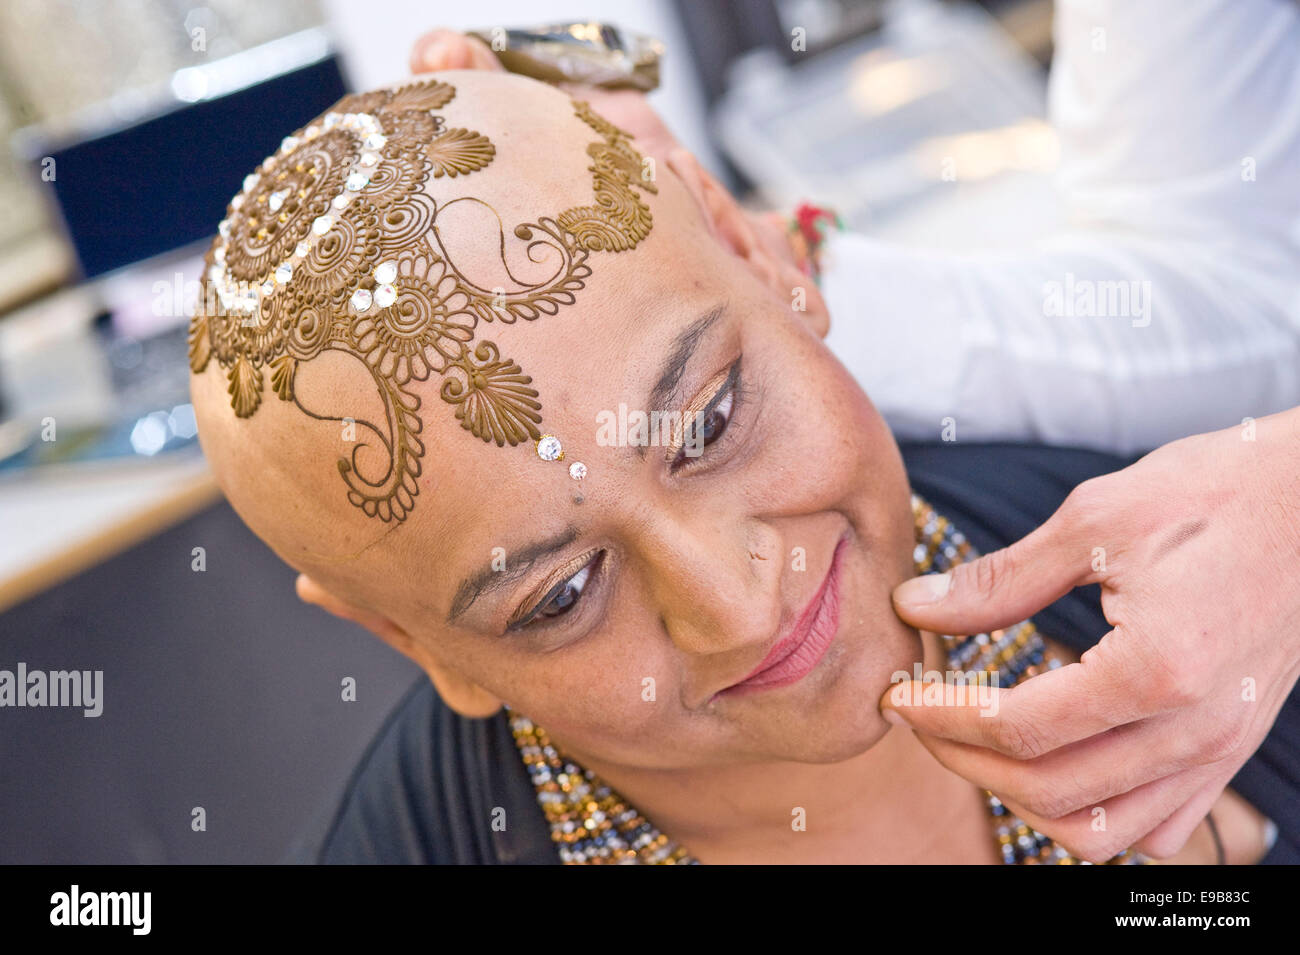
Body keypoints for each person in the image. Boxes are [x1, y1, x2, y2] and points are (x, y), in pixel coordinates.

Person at [188, 68, 1284, 864]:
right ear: (408, 641)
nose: (738, 606)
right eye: (561, 594)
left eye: (708, 423)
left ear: (755, 249)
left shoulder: (1208, 540)